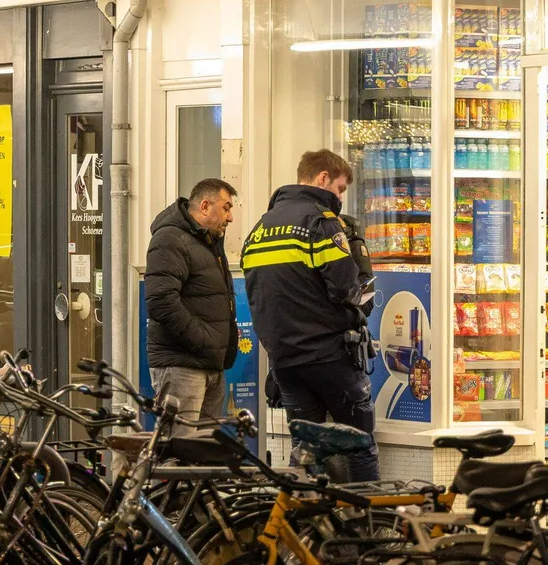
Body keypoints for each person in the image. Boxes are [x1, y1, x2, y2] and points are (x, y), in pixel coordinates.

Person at [242, 149, 380, 481]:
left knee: (306, 452)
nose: (341, 196)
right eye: (341, 188)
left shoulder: (258, 230)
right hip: (331, 358)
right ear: (322, 179)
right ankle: (372, 528)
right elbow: (348, 290)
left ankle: (309, 526)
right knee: (359, 446)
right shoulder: (321, 222)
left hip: (285, 363)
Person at [145, 178, 238, 431]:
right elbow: (161, 302)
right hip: (182, 365)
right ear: (205, 206)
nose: (230, 218)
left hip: (209, 364)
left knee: (203, 458)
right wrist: (204, 340)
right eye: (226, 208)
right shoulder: (170, 238)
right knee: (176, 452)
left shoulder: (209, 243)